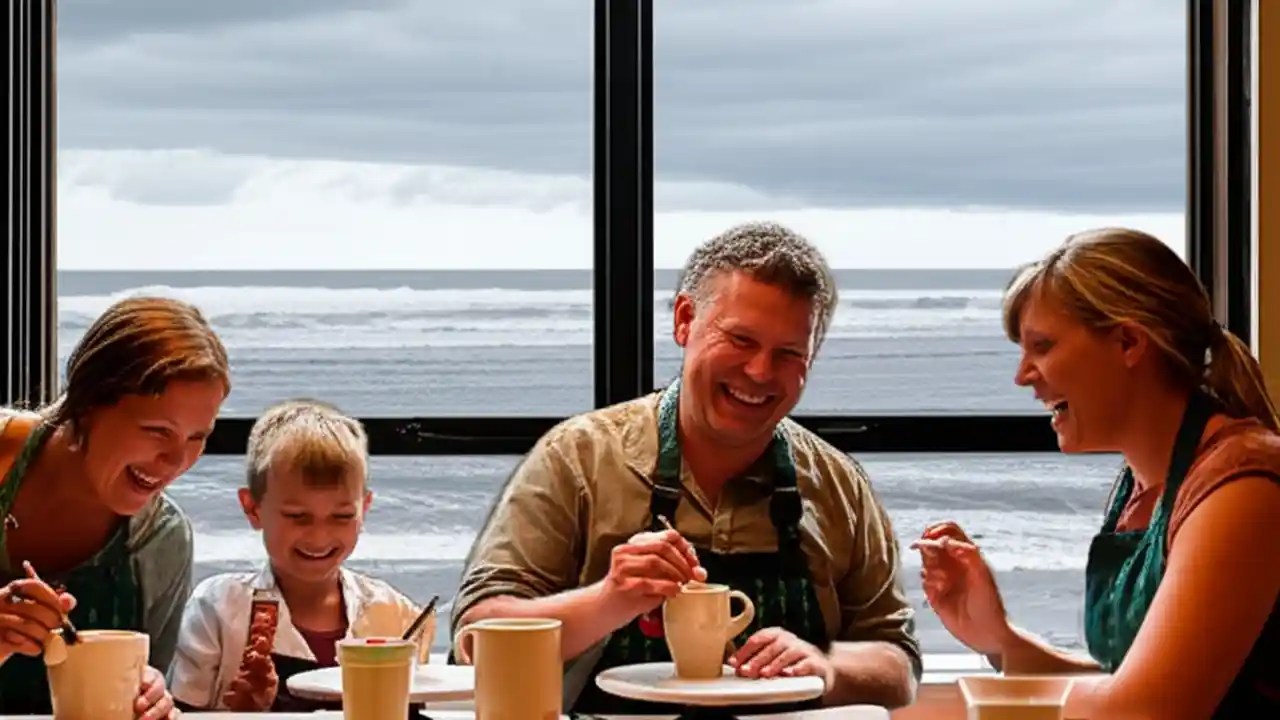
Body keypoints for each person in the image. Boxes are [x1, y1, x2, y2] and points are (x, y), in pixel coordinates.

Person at [451, 221, 921, 714]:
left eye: (787, 354)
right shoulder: (578, 458)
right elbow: (476, 640)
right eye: (741, 340)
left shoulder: (837, 483)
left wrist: (828, 668)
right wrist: (608, 601)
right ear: (683, 320)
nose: (760, 373)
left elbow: (897, 661)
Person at [915, 227, 1280, 719]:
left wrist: (953, 708)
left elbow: (1146, 710)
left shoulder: (1244, 487)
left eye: (1041, 347)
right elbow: (1124, 687)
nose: (1021, 375)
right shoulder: (1141, 485)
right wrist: (1001, 641)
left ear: (1128, 343)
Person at [0, 296, 229, 717]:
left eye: (198, 437)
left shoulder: (162, 541)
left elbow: (151, 685)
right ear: (87, 403)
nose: (177, 461)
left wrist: (155, 698)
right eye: (158, 430)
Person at [167, 399, 431, 713]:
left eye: (342, 516)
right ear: (252, 508)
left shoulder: (397, 617)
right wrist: (242, 714)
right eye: (297, 516)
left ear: (366, 508)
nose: (319, 537)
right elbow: (181, 713)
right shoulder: (217, 610)